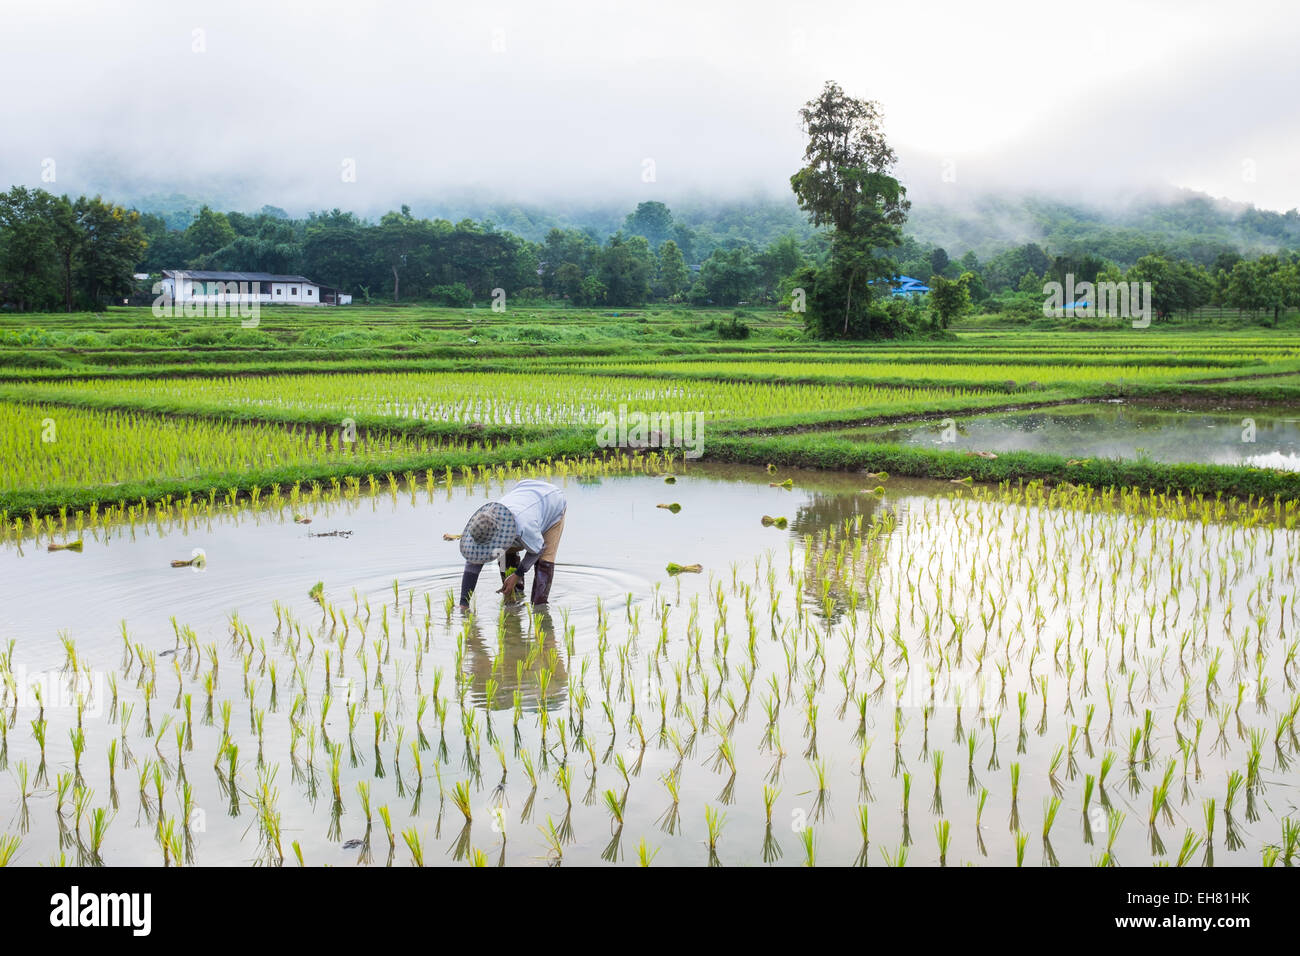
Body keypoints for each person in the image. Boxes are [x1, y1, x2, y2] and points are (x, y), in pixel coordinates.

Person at [457, 479, 566, 609]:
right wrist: (464, 603)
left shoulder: (523, 526)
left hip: (552, 502)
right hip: (524, 491)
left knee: (544, 560)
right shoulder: (482, 526)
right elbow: (473, 564)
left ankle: (540, 607)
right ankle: (515, 597)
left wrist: (518, 574)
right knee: (504, 553)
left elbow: (538, 548)